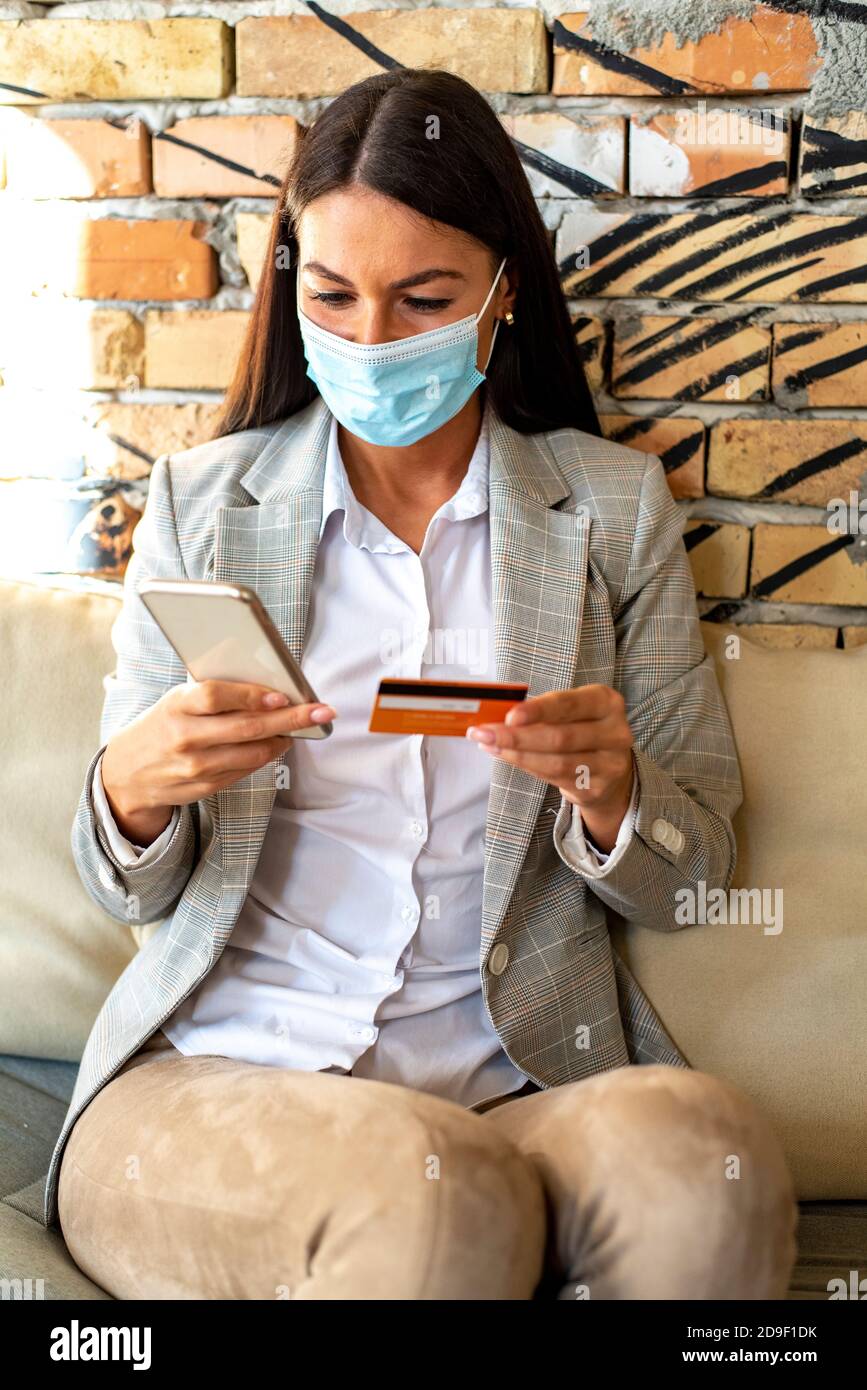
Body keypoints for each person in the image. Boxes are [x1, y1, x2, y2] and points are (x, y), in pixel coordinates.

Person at [49, 68, 797, 1300]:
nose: (370, 341)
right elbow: (121, 885)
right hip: (221, 1080)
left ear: (504, 291)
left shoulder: (610, 511)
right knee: (429, 1197)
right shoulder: (201, 507)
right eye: (333, 296)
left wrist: (612, 796)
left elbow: (696, 874)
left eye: (423, 299)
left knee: (700, 1165)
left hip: (514, 1084)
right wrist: (133, 791)